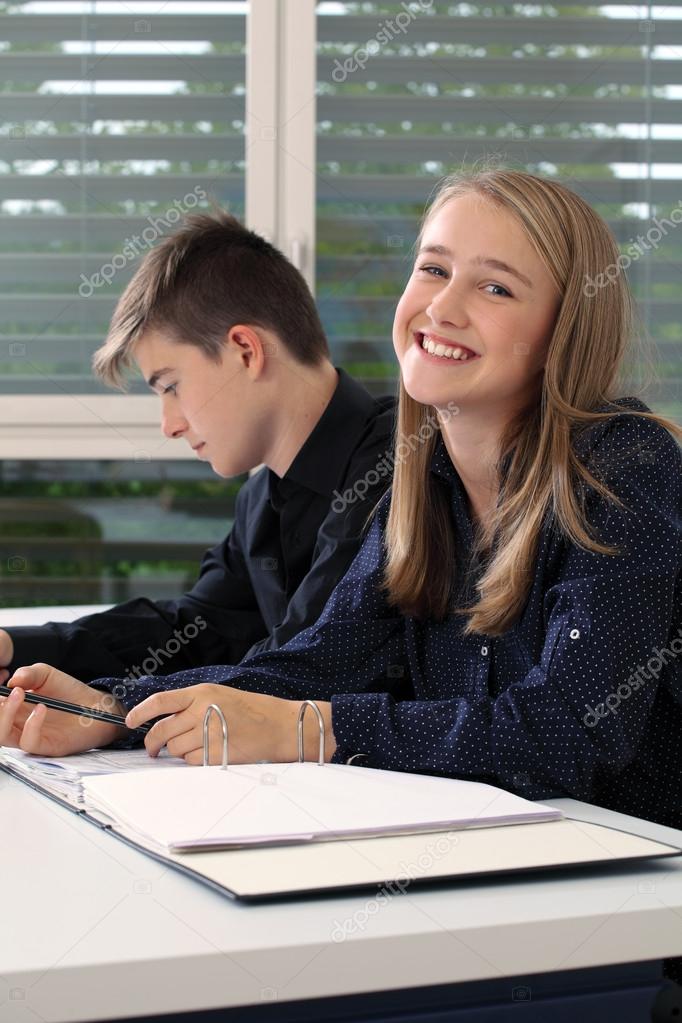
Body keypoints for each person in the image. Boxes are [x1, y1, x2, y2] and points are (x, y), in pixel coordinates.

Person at [2, 169, 681, 831]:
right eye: (434, 269)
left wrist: (313, 727)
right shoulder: (421, 482)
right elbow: (312, 664)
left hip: (641, 889)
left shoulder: (624, 466)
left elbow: (565, 737)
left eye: (497, 287)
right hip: (517, 867)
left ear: (563, 332)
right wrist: (113, 708)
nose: (443, 307)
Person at [0, 210, 394, 686]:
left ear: (245, 351)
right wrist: (17, 648)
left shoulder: (398, 468)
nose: (169, 425)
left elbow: (303, 662)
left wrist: (110, 707)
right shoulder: (261, 500)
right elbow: (194, 630)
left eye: (170, 386)